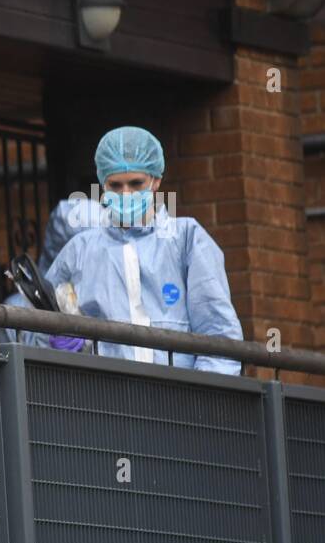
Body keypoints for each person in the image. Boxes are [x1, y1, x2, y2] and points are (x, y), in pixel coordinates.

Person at [42, 126, 242, 374]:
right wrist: (57, 342)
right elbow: (37, 323)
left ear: (156, 181)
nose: (126, 193)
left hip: (178, 398)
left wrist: (202, 400)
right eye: (116, 185)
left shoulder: (187, 239)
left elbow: (218, 336)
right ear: (103, 185)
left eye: (136, 183)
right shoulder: (79, 251)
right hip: (102, 400)